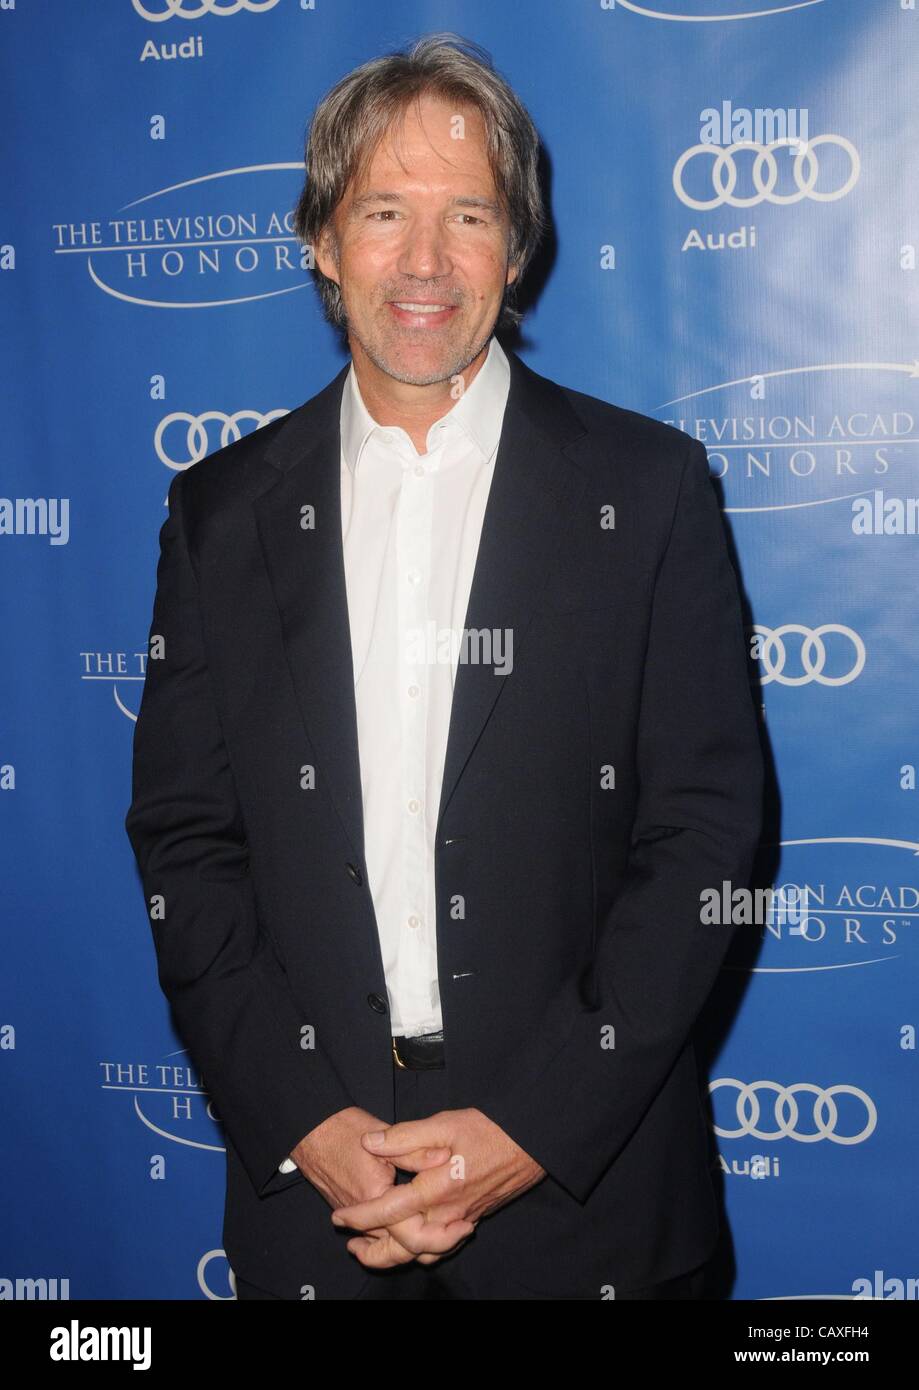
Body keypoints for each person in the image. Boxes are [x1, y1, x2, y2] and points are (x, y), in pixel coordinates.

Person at [124, 32, 763, 1302]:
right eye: (382, 212)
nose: (423, 263)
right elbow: (186, 846)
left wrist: (533, 1128)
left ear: (515, 251)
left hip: (596, 1205)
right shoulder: (218, 514)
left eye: (467, 214)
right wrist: (306, 1121)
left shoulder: (645, 493)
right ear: (322, 241)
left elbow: (707, 838)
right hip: (321, 1212)